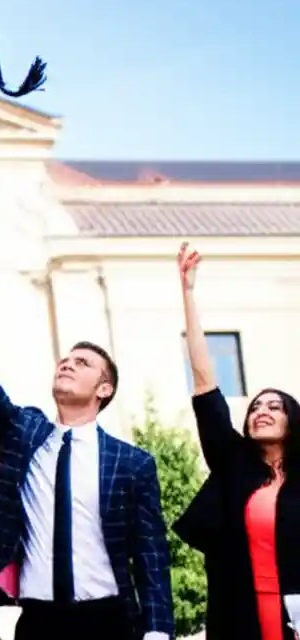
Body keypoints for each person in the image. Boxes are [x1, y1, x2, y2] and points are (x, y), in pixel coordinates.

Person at [0, 236, 173, 640]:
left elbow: (151, 552)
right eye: (66, 359)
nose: (68, 364)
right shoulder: (24, 433)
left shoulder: (132, 464)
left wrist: (158, 632)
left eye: (83, 362)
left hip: (108, 620)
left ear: (104, 388)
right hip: (39, 621)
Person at [170, 243, 300, 640]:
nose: (261, 410)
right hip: (241, 612)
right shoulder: (233, 461)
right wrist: (188, 293)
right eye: (256, 405)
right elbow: (206, 383)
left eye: (275, 406)